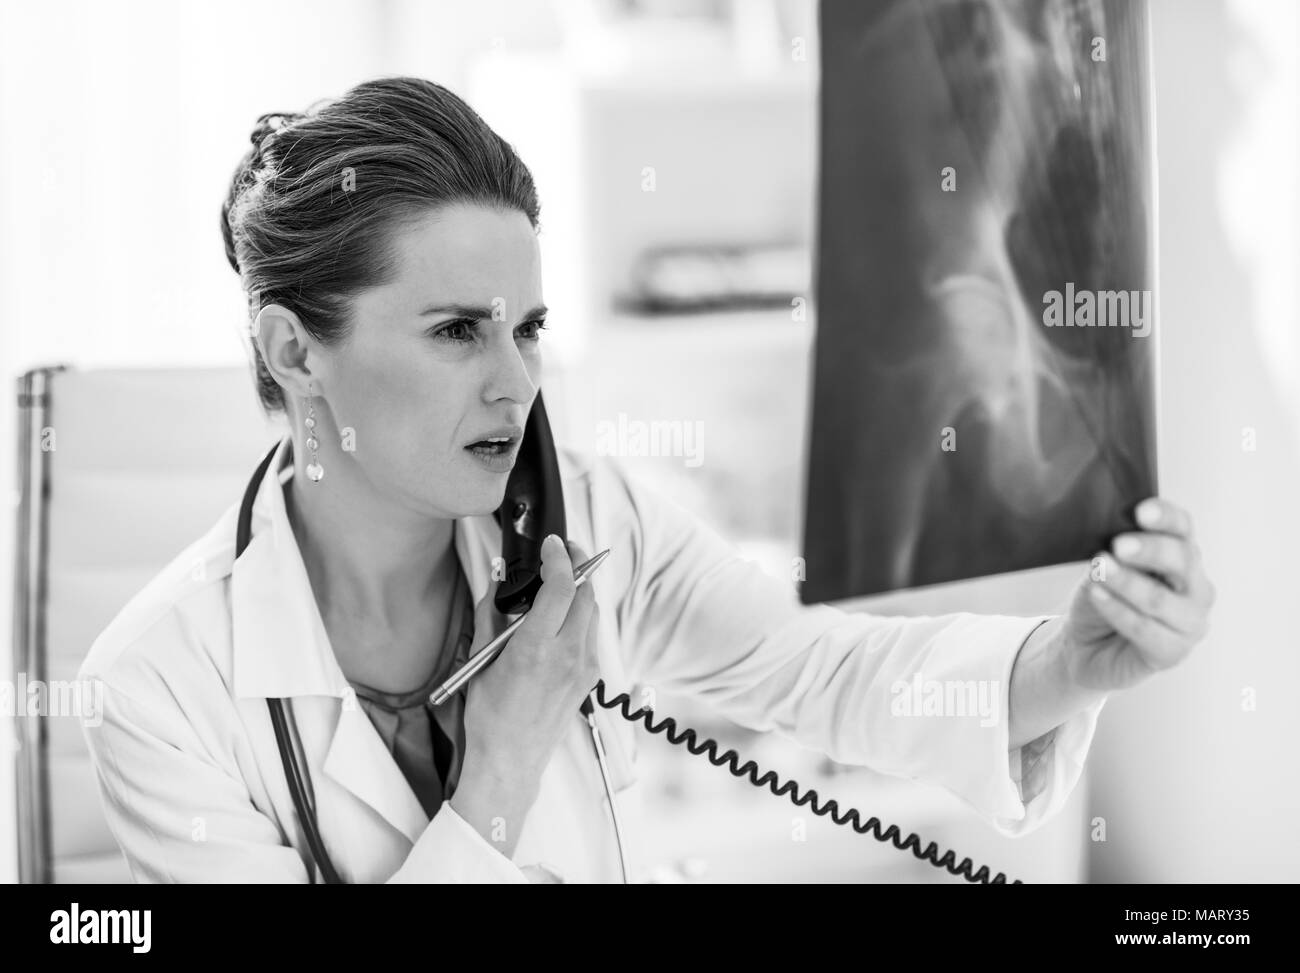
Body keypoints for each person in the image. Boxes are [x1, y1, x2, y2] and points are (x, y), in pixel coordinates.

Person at [79, 76, 1215, 884]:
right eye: (454, 332)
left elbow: (824, 674)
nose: (516, 380)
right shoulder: (159, 683)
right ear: (293, 352)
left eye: (526, 326)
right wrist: (505, 762)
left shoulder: (587, 526)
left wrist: (1063, 665)